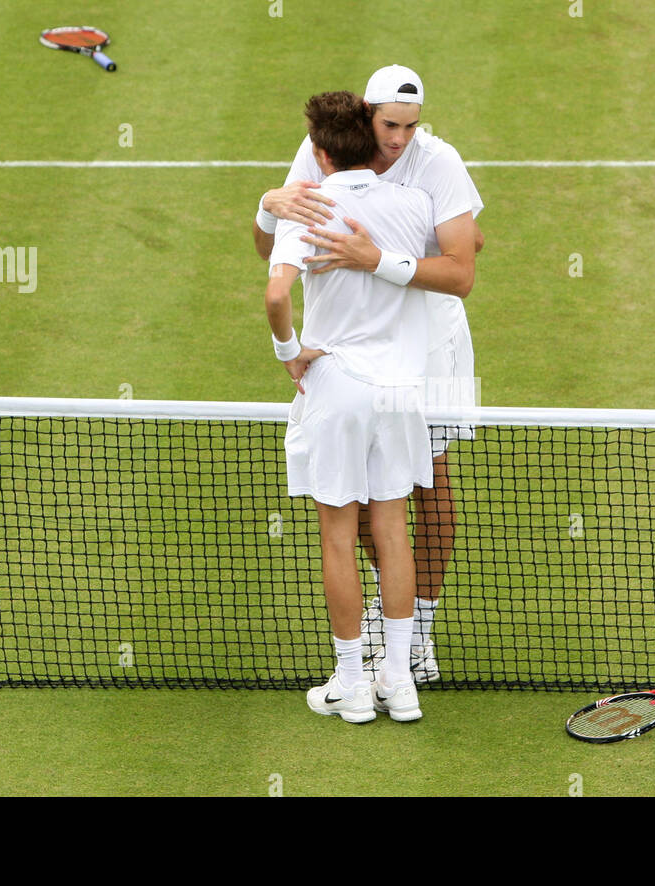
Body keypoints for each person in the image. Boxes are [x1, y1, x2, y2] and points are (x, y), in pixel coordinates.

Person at [254, 65, 484, 684]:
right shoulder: (320, 151)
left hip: (431, 347)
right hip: (352, 356)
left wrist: (375, 259)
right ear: (365, 114)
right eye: (390, 125)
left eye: (411, 127)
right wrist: (269, 206)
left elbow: (461, 273)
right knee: (362, 501)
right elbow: (271, 248)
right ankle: (387, 618)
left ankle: (418, 637)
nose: (400, 140)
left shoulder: (438, 162)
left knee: (430, 486)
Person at [265, 90, 441, 723]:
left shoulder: (306, 207)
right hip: (401, 393)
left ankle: (351, 684)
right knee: (393, 530)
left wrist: (289, 350)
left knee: (339, 535)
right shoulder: (418, 203)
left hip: (337, 386)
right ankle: (400, 680)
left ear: (317, 153)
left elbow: (276, 293)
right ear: (373, 142)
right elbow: (468, 248)